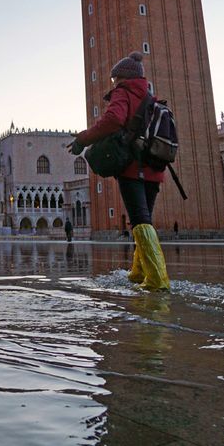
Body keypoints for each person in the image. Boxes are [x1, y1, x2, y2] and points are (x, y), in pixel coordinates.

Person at [68, 51, 170, 290]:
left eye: (114, 79)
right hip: (155, 167)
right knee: (144, 220)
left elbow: (113, 119)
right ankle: (139, 272)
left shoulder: (124, 92)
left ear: (122, 77)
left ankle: (157, 279)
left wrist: (83, 139)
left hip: (133, 167)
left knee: (139, 220)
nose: (113, 83)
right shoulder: (150, 98)